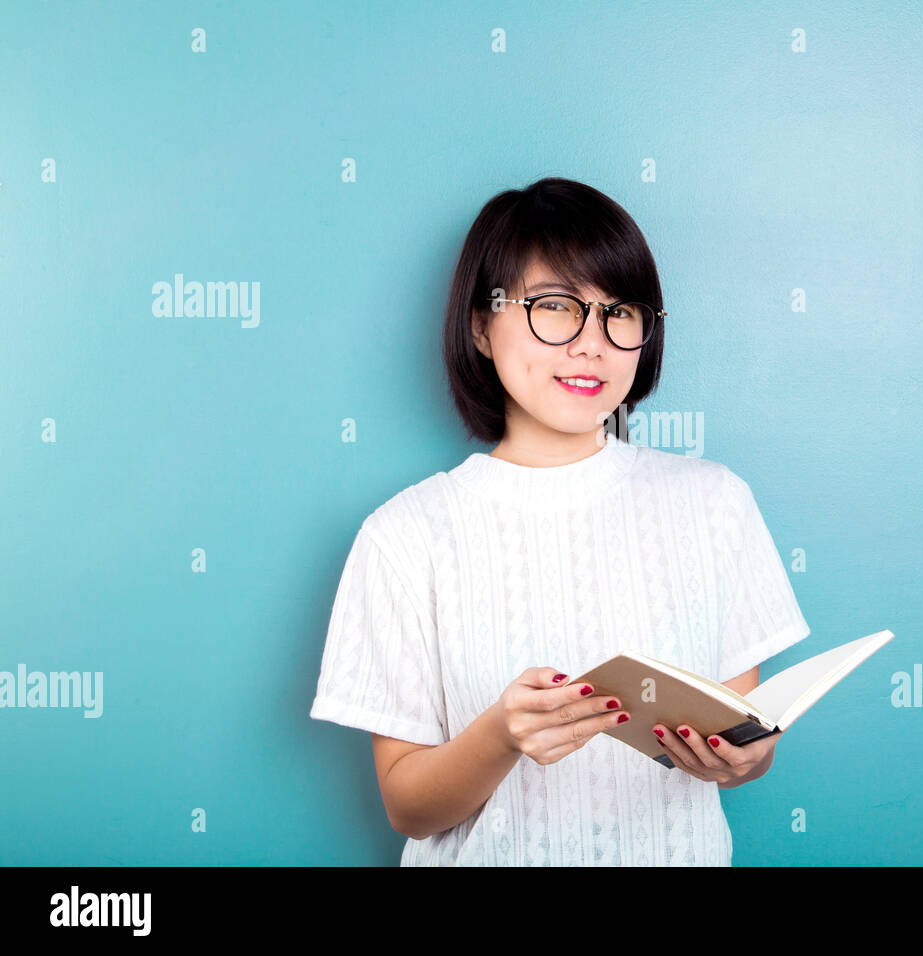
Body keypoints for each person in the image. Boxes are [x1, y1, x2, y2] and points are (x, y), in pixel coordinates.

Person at [309, 177, 811, 865]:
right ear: (482, 325)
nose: (591, 344)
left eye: (619, 313)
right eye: (554, 306)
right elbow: (408, 807)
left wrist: (744, 759)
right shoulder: (405, 535)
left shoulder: (715, 502)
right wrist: (500, 735)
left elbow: (748, 745)